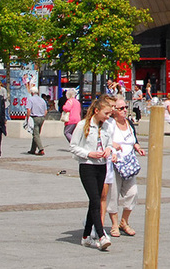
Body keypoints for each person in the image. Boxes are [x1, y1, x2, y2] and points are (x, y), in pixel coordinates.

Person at [70, 94, 117, 250]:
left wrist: (109, 149)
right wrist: (88, 153)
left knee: (95, 201)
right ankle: (101, 235)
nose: (108, 117)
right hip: (88, 165)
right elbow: (74, 146)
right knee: (95, 199)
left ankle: (85, 236)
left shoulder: (107, 126)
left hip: (101, 165)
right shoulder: (83, 125)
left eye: (110, 114)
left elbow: (109, 142)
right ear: (96, 111)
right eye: (106, 114)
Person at [104, 95, 145, 238]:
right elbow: (103, 138)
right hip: (114, 164)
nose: (124, 110)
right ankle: (114, 225)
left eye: (126, 107)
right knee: (113, 195)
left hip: (128, 164)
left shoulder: (129, 122)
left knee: (132, 193)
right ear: (114, 110)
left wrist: (137, 146)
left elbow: (134, 138)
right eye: (121, 108)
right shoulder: (109, 124)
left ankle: (124, 221)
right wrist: (113, 146)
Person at [27, 85, 48, 155]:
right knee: (36, 133)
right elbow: (46, 111)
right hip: (42, 118)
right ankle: (33, 149)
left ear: (32, 93)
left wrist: (27, 118)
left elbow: (28, 110)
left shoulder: (31, 99)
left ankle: (41, 149)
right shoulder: (42, 100)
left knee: (36, 134)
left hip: (35, 118)